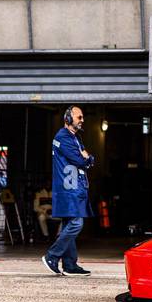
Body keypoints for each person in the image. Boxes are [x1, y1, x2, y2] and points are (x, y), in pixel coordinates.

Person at [44, 106, 95, 277]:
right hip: (69, 188)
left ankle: (69, 264)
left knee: (69, 224)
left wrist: (87, 158)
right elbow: (81, 160)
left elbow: (86, 158)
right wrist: (86, 158)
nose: (82, 120)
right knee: (76, 223)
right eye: (78, 117)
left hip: (74, 186)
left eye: (82, 117)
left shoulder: (75, 137)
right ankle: (52, 255)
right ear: (67, 118)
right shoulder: (63, 137)